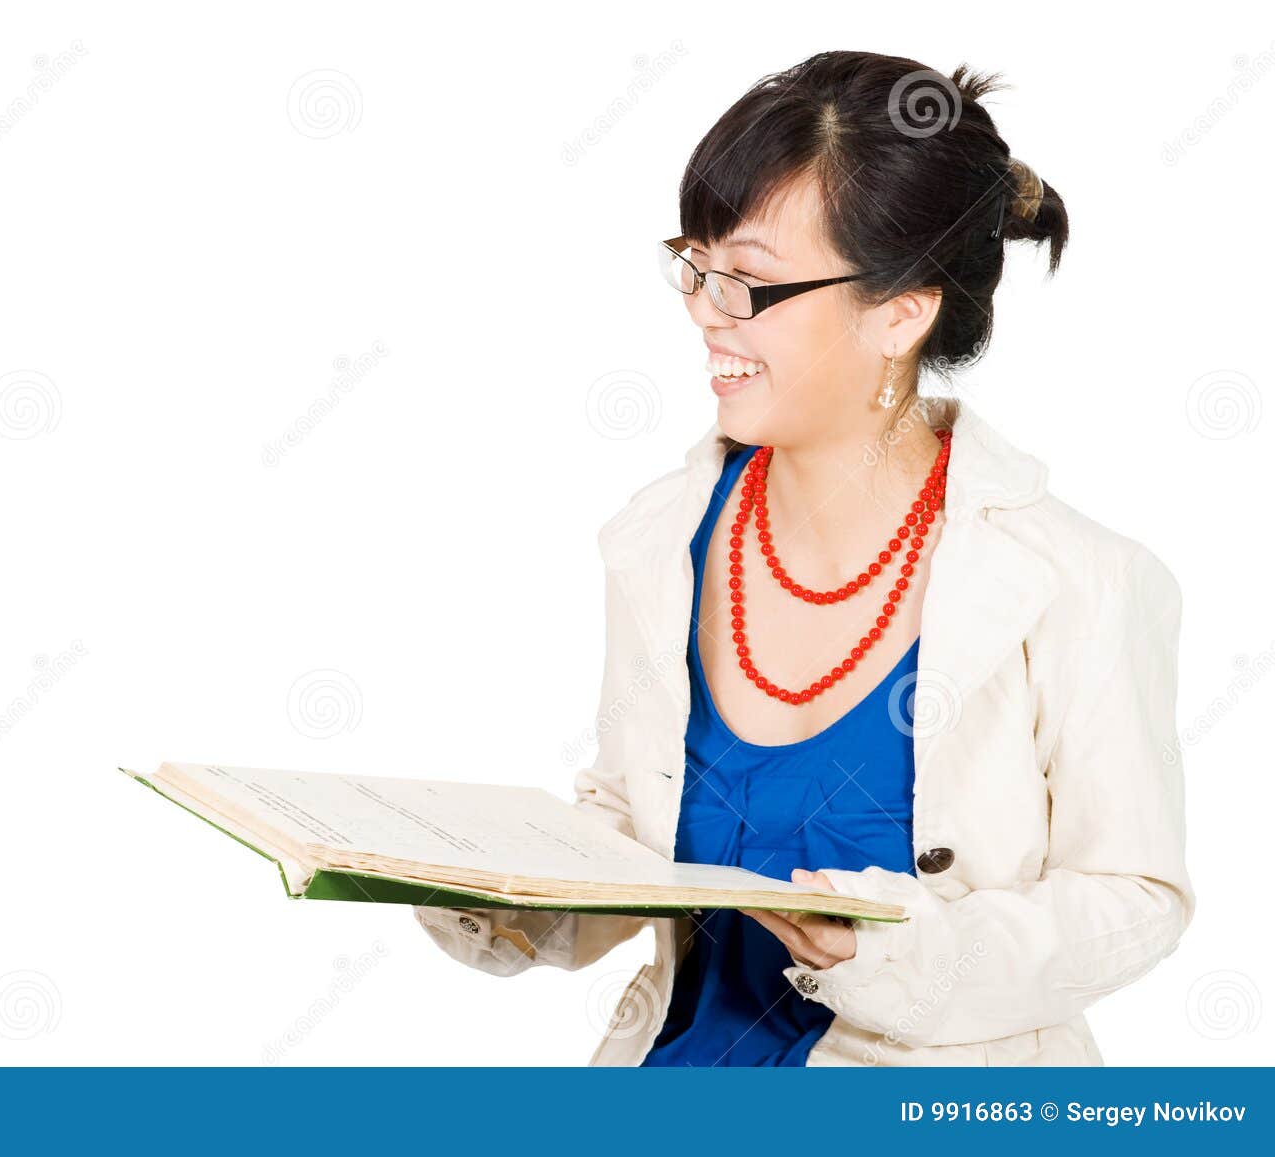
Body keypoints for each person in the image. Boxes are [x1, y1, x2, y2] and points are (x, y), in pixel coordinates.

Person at [413, 49, 1191, 1066]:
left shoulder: (1079, 578)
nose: (704, 308)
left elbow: (1134, 896)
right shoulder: (661, 538)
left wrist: (904, 951)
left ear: (901, 310)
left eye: (751, 282)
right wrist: (488, 888)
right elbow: (635, 835)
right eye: (695, 264)